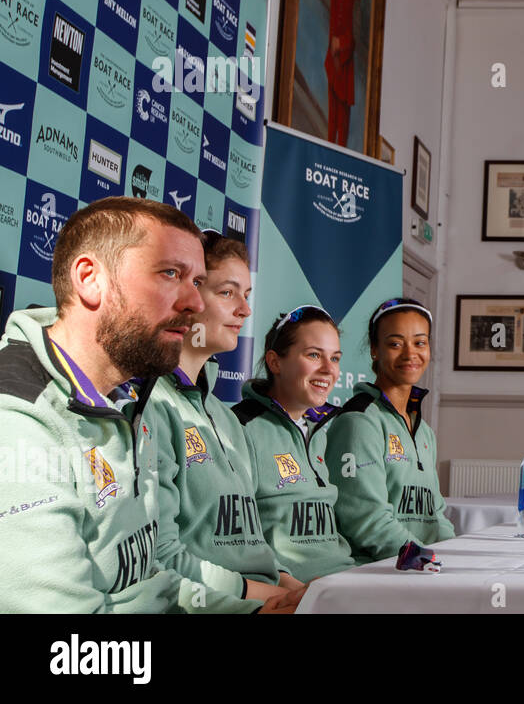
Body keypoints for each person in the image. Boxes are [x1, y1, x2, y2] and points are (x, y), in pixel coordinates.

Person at [0, 197, 292, 612]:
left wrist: (258, 610)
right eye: (170, 273)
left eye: (196, 282)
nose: (194, 303)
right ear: (89, 278)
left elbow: (152, 577)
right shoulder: (17, 418)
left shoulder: (136, 400)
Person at [139, 231, 306, 608]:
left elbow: (251, 546)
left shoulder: (225, 417)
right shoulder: (153, 404)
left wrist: (297, 588)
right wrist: (271, 598)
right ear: (190, 298)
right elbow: (163, 556)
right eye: (228, 293)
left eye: (247, 296)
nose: (245, 311)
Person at [325, 298, 454, 563]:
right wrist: (428, 561)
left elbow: (436, 515)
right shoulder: (358, 421)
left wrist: (456, 556)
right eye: (395, 344)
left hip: (423, 570)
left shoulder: (423, 430)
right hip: (379, 572)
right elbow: (366, 519)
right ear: (375, 349)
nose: (410, 354)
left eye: (420, 342)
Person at [234, 307, 355, 581]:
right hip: (294, 591)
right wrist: (289, 591)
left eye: (334, 358)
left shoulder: (319, 430)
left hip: (344, 576)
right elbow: (237, 540)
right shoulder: (240, 428)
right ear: (275, 363)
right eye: (314, 355)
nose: (329, 370)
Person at [325, 0, 361, 147]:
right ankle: (328, 143)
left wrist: (343, 44)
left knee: (343, 106)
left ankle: (339, 147)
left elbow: (356, 24)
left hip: (344, 48)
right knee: (332, 101)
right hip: (334, 44)